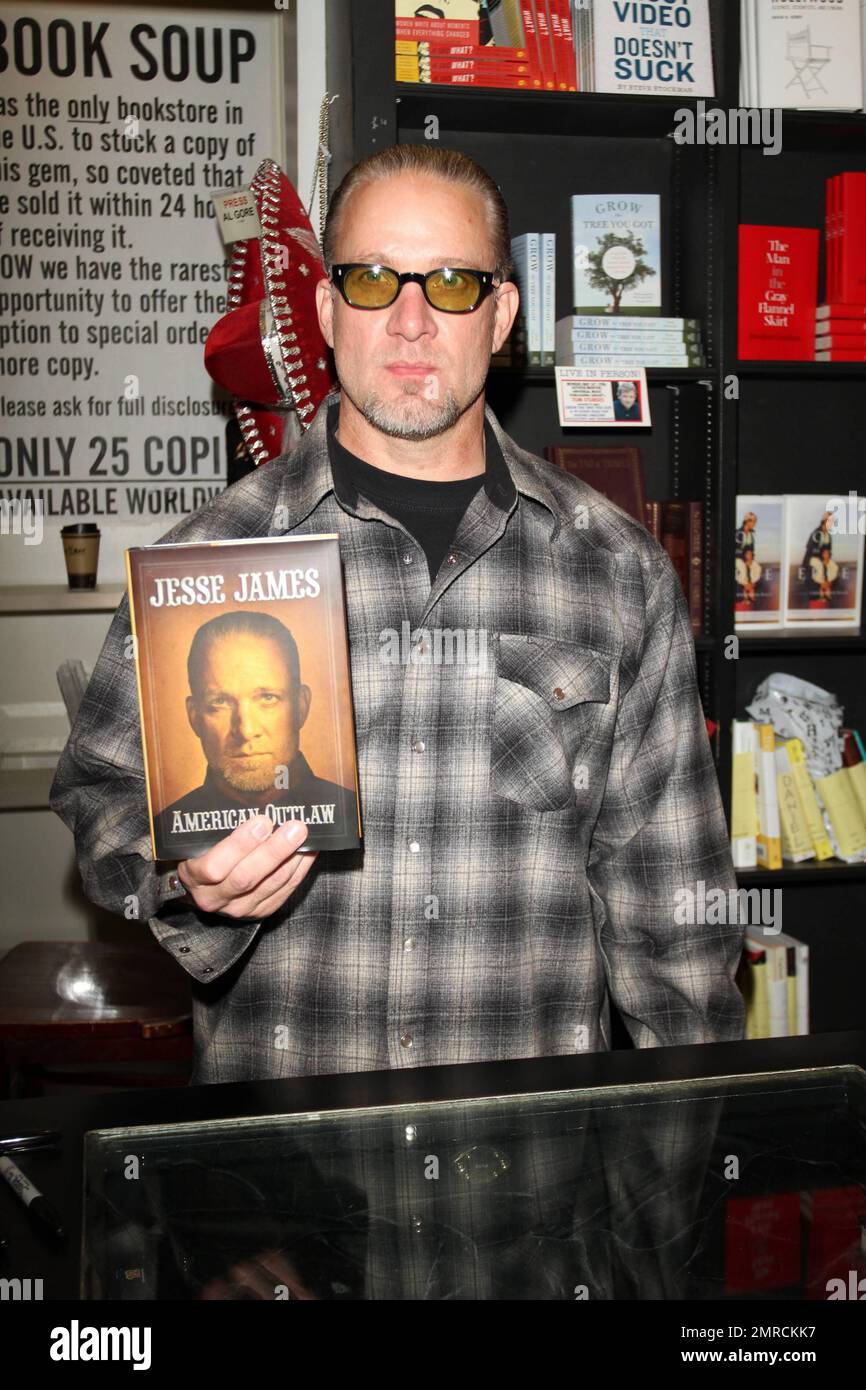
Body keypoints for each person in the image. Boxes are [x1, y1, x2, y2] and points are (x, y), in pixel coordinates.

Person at [50, 143, 744, 1086]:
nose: (410, 320)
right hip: (279, 1177)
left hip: (530, 1183)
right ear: (328, 311)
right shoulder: (206, 559)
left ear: (502, 315)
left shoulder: (616, 571)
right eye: (373, 279)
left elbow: (675, 926)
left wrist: (686, 1179)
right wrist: (180, 880)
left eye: (452, 283)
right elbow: (100, 790)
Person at [152, 611, 357, 850]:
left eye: (268, 698)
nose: (246, 730)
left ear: (301, 707)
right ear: (194, 717)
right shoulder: (162, 834)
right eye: (220, 702)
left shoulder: (356, 817)